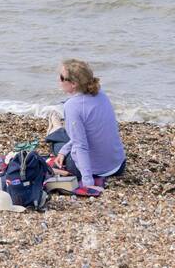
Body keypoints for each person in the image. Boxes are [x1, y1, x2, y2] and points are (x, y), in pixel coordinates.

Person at [46, 59, 126, 198]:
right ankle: (56, 125)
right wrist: (66, 150)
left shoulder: (72, 106)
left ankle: (54, 125)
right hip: (118, 165)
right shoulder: (101, 94)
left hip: (96, 169)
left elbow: (81, 145)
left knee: (57, 143)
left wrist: (88, 183)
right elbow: (94, 133)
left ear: (74, 84)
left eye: (61, 77)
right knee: (70, 139)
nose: (59, 81)